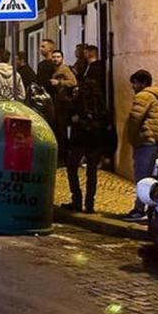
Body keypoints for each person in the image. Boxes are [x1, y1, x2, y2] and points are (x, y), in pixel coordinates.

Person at [122, 70, 158, 222]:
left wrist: (133, 139)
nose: (133, 86)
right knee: (154, 177)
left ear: (143, 83)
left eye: (134, 83)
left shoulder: (143, 96)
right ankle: (153, 211)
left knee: (143, 178)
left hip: (147, 141)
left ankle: (139, 210)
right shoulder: (156, 98)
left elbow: (135, 118)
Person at [61, 63, 109, 214]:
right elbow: (105, 122)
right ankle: (89, 204)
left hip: (79, 141)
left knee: (72, 168)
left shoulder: (78, 102)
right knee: (92, 173)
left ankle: (77, 199)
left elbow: (69, 117)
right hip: (95, 142)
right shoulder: (100, 104)